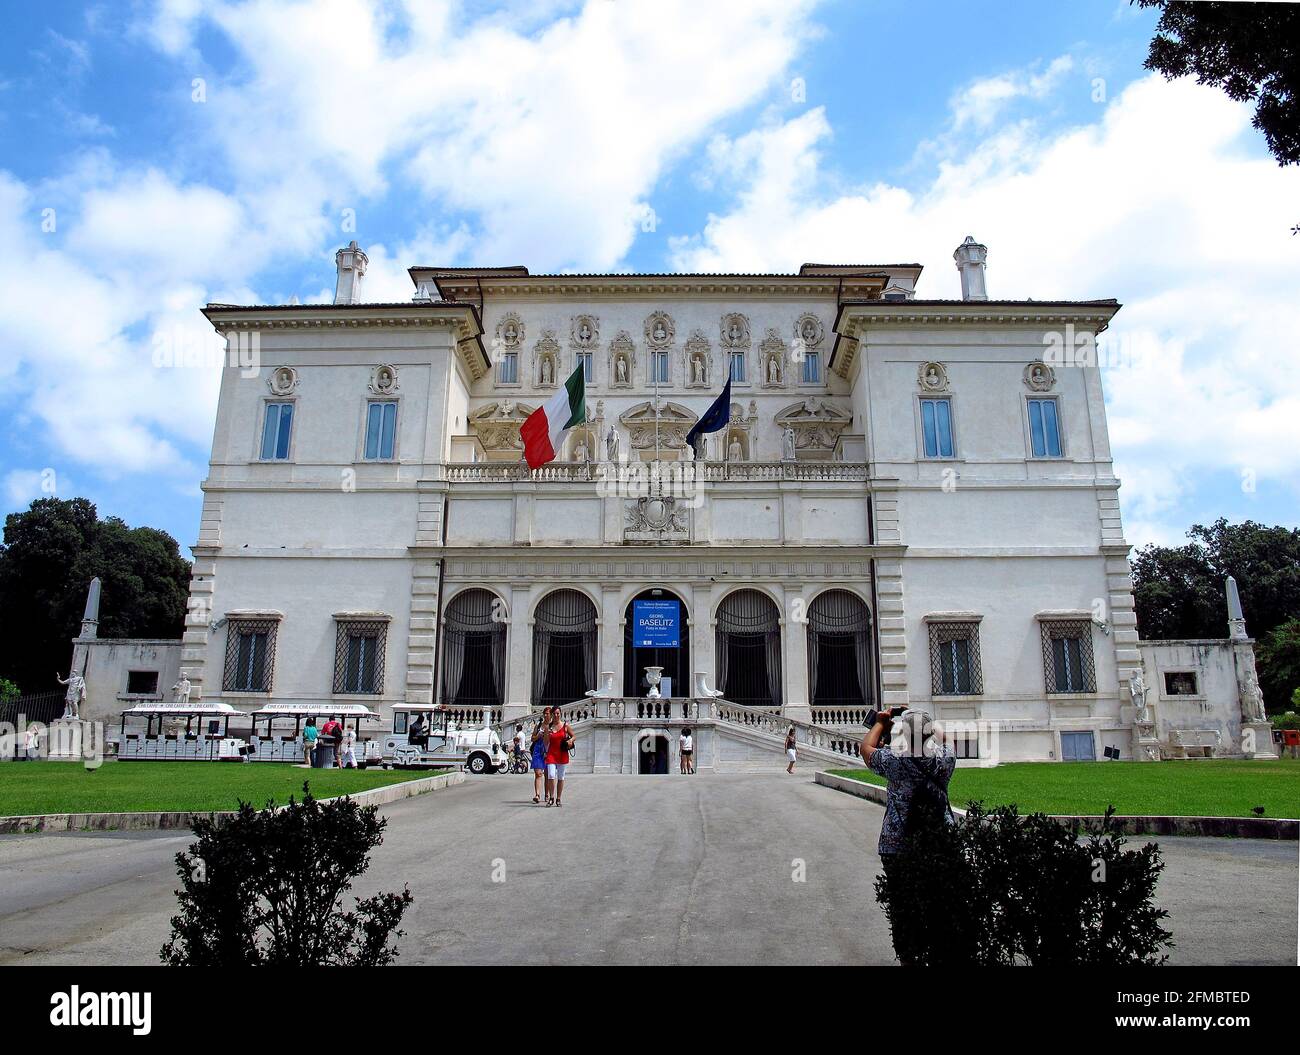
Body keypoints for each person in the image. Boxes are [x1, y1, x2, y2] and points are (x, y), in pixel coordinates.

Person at [859, 708, 955, 965]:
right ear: (929, 732)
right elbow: (948, 741)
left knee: (904, 910)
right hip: (938, 843)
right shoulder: (944, 760)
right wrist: (929, 725)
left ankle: (909, 958)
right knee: (938, 905)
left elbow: (866, 749)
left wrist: (881, 723)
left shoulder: (894, 761)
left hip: (898, 845)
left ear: (904, 733)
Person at [545, 709, 573, 807]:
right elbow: (546, 742)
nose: (556, 715)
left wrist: (570, 741)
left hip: (562, 753)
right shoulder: (549, 726)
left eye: (558, 713)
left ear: (560, 714)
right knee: (551, 775)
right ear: (552, 714)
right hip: (551, 753)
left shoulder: (565, 726)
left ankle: (558, 798)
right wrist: (547, 733)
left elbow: (573, 736)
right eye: (554, 713)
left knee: (561, 777)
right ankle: (551, 797)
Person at [530, 707, 551, 804]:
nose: (546, 715)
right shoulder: (538, 726)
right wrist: (538, 736)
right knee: (538, 773)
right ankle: (537, 794)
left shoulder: (552, 726)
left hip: (548, 750)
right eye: (545, 713)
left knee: (547, 774)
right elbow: (532, 739)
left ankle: (547, 794)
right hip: (538, 750)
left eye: (548, 713)